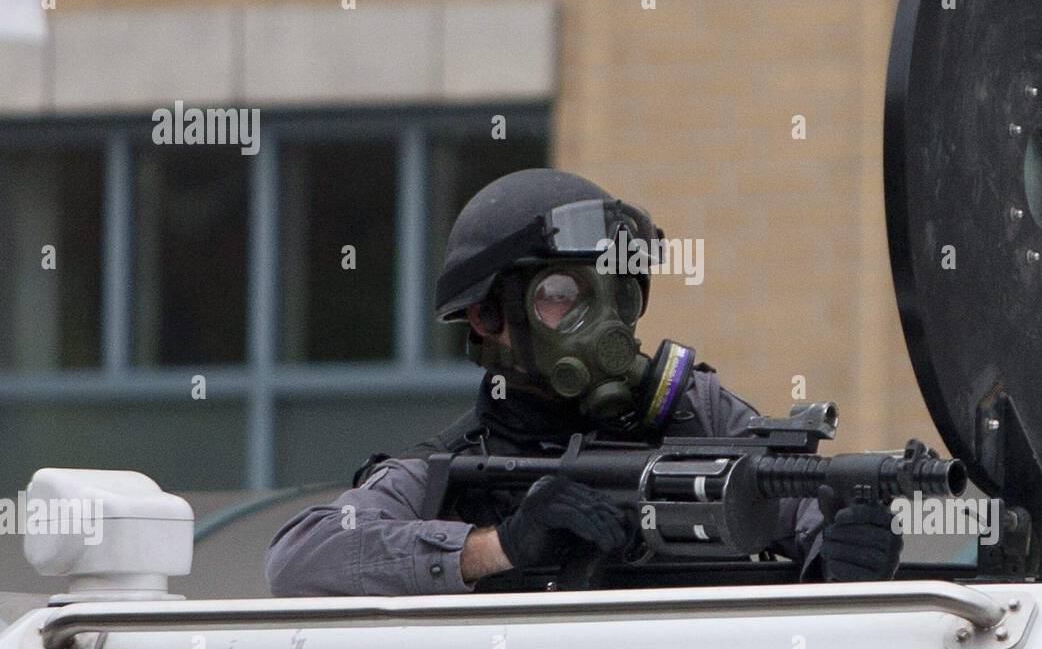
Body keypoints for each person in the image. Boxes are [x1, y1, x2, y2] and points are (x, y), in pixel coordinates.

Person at [265, 169, 902, 596]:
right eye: (563, 295)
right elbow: (299, 558)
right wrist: (499, 546)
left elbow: (802, 501)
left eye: (620, 292)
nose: (606, 325)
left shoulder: (694, 415)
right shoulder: (451, 470)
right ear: (490, 317)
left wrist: (844, 552)